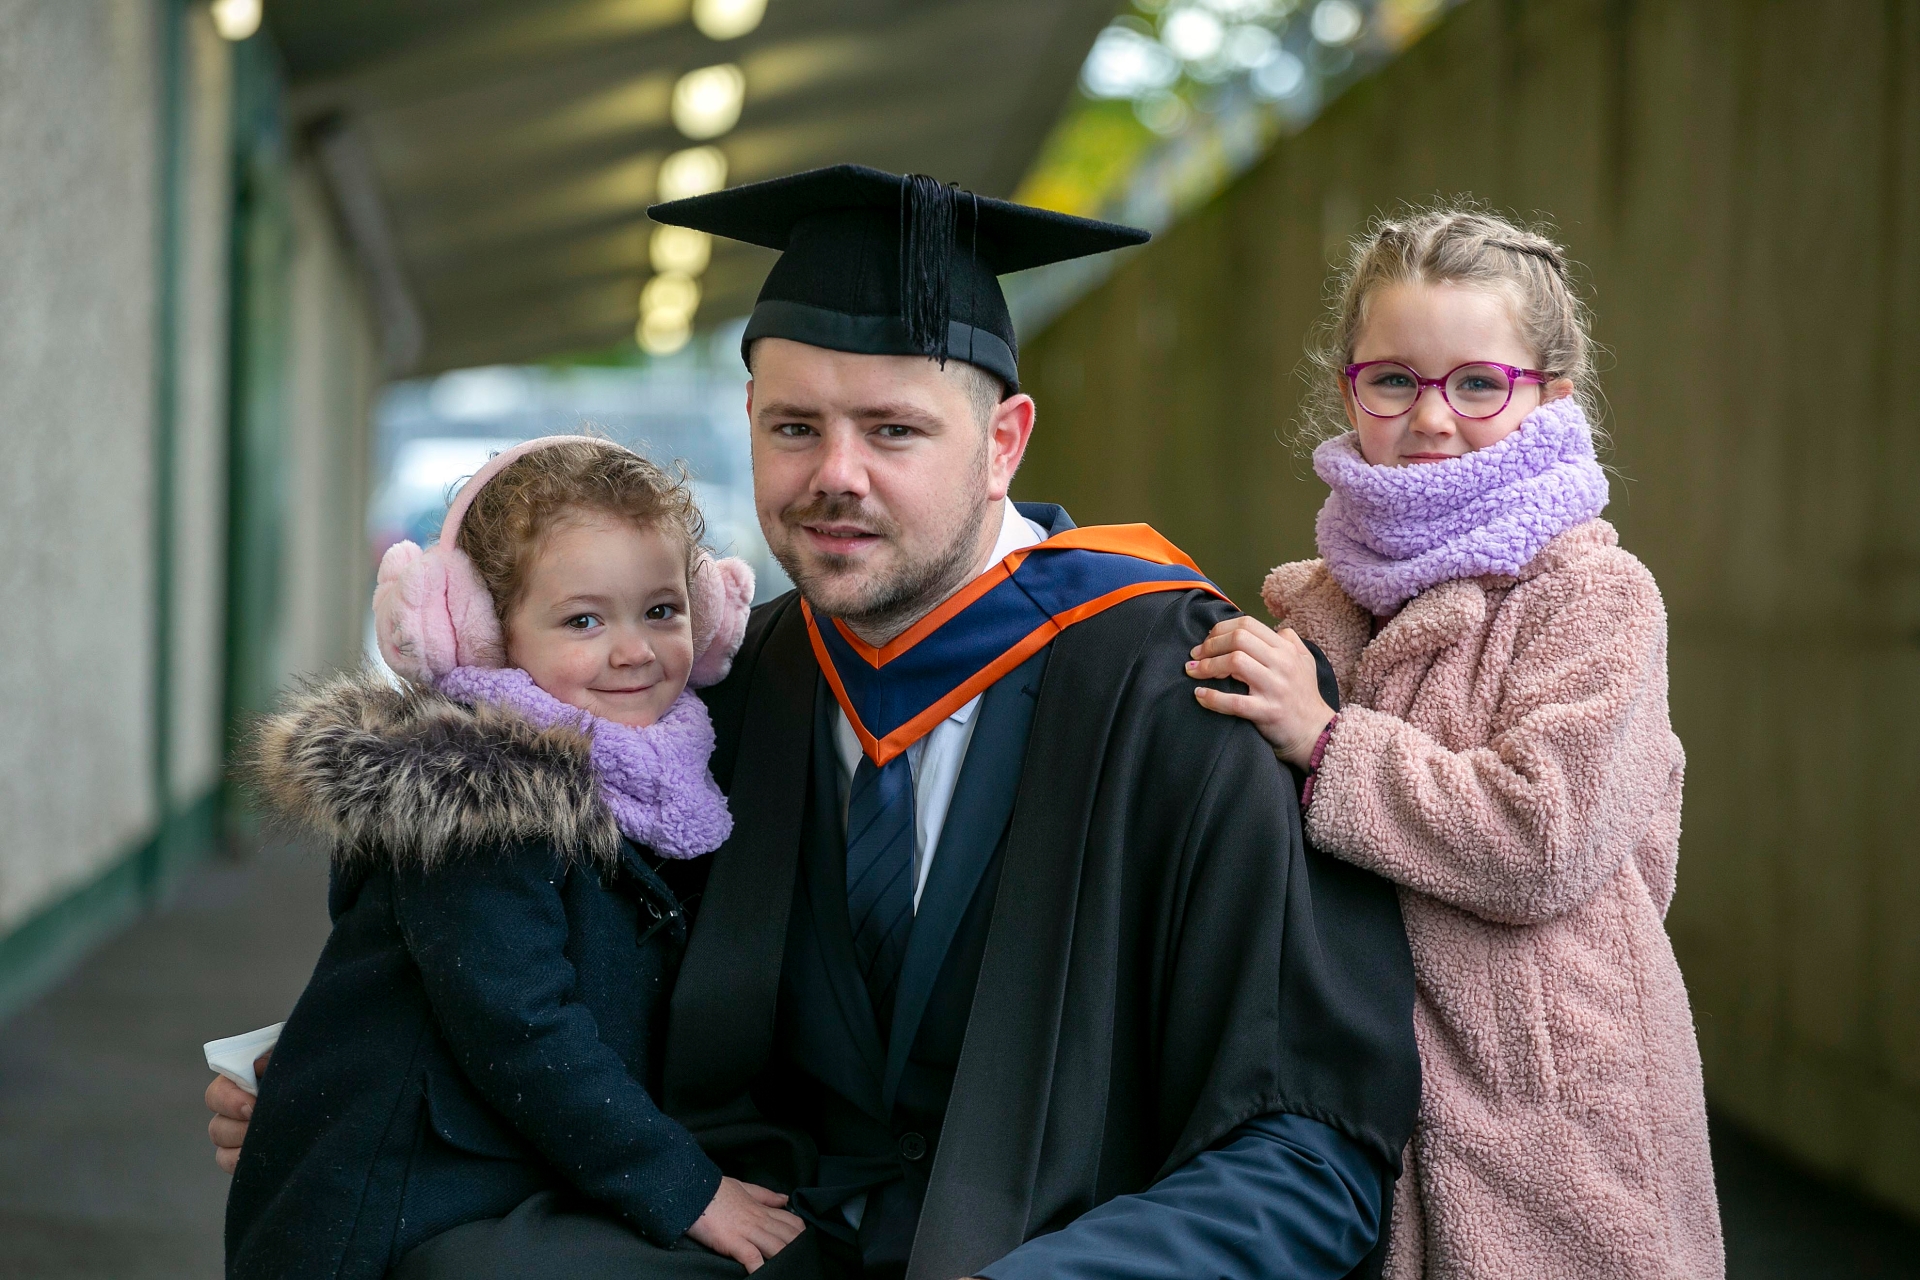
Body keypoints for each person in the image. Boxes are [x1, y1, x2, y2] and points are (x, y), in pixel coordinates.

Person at [211, 166, 1422, 1280]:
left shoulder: (1196, 696)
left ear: (1003, 442)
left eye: (893, 429)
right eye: (795, 426)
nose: (835, 473)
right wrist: (343, 1074)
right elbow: (540, 960)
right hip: (769, 1240)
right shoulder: (726, 692)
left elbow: (1308, 1155)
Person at [1185, 207, 1723, 1277]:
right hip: (1369, 1111)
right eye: (1394, 379)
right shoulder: (1321, 609)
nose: (1432, 418)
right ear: (1349, 391)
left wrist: (1329, 744)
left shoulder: (1595, 596)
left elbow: (1544, 836)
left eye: (1478, 383)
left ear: (1548, 398)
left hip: (1559, 1132)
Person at [221, 436, 806, 1280]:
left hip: (515, 1174)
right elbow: (523, 1029)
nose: (634, 650)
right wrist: (689, 1191)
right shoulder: (484, 810)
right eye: (583, 620)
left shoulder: (655, 776)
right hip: (391, 1208)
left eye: (661, 610)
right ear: (480, 632)